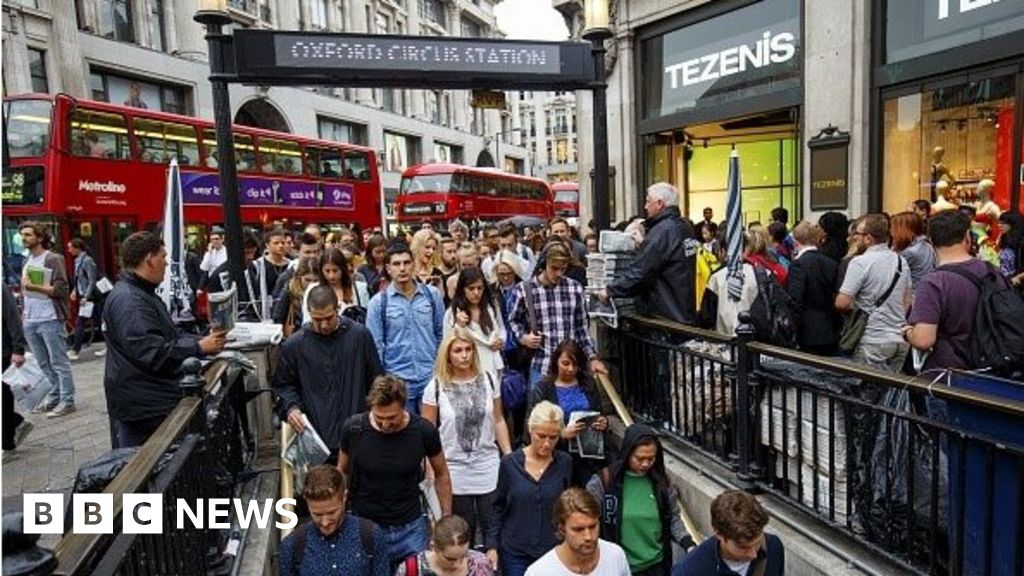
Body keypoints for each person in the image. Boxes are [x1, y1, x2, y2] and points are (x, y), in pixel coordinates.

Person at [103, 231, 226, 447]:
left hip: (146, 396)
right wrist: (198, 347)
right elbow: (151, 352)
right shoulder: (131, 300)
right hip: (146, 403)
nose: (167, 263)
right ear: (149, 259)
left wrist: (201, 340)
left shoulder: (142, 292)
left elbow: (169, 335)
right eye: (163, 256)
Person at [338, 375, 453, 568]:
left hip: (411, 528)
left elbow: (442, 473)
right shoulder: (354, 429)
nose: (385, 424)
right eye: (379, 417)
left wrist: (446, 518)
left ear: (404, 406)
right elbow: (341, 471)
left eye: (392, 417)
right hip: (366, 527)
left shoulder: (423, 431)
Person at [422, 331, 512, 545]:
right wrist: (430, 471)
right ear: (448, 354)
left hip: (487, 462)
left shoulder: (489, 379)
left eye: (468, 349)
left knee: (494, 528)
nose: (464, 355)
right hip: (452, 468)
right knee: (463, 530)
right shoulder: (435, 387)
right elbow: (427, 434)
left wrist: (508, 456)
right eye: (458, 350)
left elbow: (498, 420)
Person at [274, 285, 382, 459]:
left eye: (328, 318)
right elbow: (283, 386)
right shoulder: (294, 346)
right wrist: (291, 408)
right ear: (309, 312)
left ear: (338, 309)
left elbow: (376, 379)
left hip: (358, 435)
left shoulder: (360, 336)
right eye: (317, 319)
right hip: (317, 439)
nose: (324, 325)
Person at [587, 424, 692, 576]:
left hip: (657, 566)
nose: (645, 464)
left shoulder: (662, 484)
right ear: (627, 454)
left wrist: (687, 543)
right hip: (619, 567)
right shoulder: (603, 482)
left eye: (651, 458)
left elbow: (673, 518)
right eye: (639, 458)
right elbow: (587, 519)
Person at [486, 401, 573, 576]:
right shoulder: (509, 464)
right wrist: (492, 546)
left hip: (553, 549)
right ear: (530, 430)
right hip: (515, 550)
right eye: (541, 436)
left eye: (553, 437)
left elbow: (571, 504)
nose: (547, 444)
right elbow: (498, 506)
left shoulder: (565, 462)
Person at [509, 243, 606, 389]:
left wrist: (592, 358)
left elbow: (581, 330)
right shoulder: (523, 290)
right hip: (541, 365)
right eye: (554, 268)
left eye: (563, 269)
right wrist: (524, 338)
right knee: (540, 411)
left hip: (571, 368)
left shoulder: (575, 288)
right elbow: (513, 320)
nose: (559, 274)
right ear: (544, 264)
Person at [904, 210, 990, 373]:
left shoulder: (934, 282)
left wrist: (907, 332)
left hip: (949, 373)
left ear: (931, 240)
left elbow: (923, 339)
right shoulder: (991, 271)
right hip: (990, 370)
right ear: (967, 237)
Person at [599, 182, 698, 324]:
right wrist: (645, 245)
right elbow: (667, 259)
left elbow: (640, 272)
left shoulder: (662, 231)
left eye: (648, 201)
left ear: (659, 203)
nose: (645, 206)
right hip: (682, 311)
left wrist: (610, 290)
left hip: (665, 317)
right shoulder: (685, 227)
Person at [366, 243, 445, 414]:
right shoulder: (378, 303)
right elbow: (376, 348)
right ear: (388, 268)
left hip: (430, 377)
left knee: (432, 433)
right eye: (396, 264)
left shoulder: (432, 295)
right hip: (398, 382)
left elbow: (441, 334)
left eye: (406, 262)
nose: (402, 268)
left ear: (413, 264)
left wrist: (440, 370)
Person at [277, 465, 389, 576]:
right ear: (306, 502)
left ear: (344, 497)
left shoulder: (372, 536)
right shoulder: (291, 547)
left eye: (332, 513)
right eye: (317, 514)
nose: (325, 522)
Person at [835, 214, 912, 372]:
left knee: (866, 392)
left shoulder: (860, 262)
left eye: (858, 234)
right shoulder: (900, 261)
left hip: (872, 339)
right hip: (898, 338)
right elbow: (908, 299)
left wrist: (859, 312)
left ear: (868, 238)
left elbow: (842, 303)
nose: (855, 238)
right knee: (890, 394)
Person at [527, 340, 610, 487]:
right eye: (565, 364)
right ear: (556, 362)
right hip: (557, 455)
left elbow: (599, 412)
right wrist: (561, 433)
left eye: (575, 365)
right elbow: (533, 426)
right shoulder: (543, 388)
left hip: (588, 457)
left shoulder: (588, 384)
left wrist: (603, 422)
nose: (571, 369)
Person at [18, 222, 75, 418]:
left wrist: (35, 288)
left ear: (40, 238)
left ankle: (68, 401)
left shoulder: (52, 258)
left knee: (59, 362)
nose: (24, 238)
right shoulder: (26, 261)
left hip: (50, 318)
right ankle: (54, 396)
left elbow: (62, 289)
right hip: (30, 319)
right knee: (43, 363)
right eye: (22, 235)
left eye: (28, 235)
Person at [670, 491, 784, 576]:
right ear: (719, 534)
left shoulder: (774, 547)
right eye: (743, 547)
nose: (753, 554)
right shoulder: (688, 571)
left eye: (758, 543)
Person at [524, 488, 631, 576]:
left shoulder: (616, 556)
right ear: (562, 529)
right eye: (578, 529)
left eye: (593, 526)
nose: (588, 536)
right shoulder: (539, 572)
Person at [786, 222, 841, 356]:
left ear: (795, 241)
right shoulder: (831, 263)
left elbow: (795, 299)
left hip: (807, 330)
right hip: (830, 327)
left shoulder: (798, 265)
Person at [445, 267, 506, 380]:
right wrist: (458, 326)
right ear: (462, 289)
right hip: (468, 367)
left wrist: (501, 340)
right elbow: (447, 344)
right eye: (471, 288)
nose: (476, 293)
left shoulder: (491, 306)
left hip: (493, 365)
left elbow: (502, 328)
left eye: (480, 288)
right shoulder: (452, 313)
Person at [701, 229, 758, 337]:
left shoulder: (716, 278)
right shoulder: (760, 274)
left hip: (725, 338)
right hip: (756, 341)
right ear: (746, 249)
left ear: (722, 251)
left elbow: (706, 317)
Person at [394, 515, 494, 575]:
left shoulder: (481, 565)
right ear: (434, 547)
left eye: (463, 556)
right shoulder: (411, 569)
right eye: (450, 559)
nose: (457, 564)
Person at [3, 284, 33, 450]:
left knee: (4, 398)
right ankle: (16, 422)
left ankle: (7, 444)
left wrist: (18, 349)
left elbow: (12, 318)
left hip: (4, 350)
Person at [303, 248, 369, 322]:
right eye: (327, 271)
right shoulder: (312, 289)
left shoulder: (360, 289)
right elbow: (307, 320)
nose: (331, 276)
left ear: (343, 269)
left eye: (335, 270)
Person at [67, 238, 101, 360]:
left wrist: (86, 296)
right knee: (100, 322)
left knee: (80, 323)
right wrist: (75, 290)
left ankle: (75, 350)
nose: (69, 250)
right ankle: (111, 345)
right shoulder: (78, 261)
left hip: (90, 297)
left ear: (77, 248)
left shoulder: (87, 261)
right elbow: (79, 280)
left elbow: (92, 280)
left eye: (70, 247)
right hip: (85, 296)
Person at [273, 256, 318, 338]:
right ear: (299, 277)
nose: (311, 284)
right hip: (295, 335)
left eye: (315, 280)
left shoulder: (323, 292)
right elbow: (278, 316)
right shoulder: (289, 291)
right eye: (307, 280)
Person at [890, 211, 936, 291]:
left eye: (894, 228)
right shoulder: (925, 244)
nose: (890, 230)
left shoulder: (909, 252)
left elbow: (890, 274)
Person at [997, 211, 1024, 288]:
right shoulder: (1004, 238)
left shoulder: (1021, 243)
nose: (999, 225)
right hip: (1004, 282)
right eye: (999, 223)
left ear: (1013, 224)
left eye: (1003, 223)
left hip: (1017, 286)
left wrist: (1019, 277)